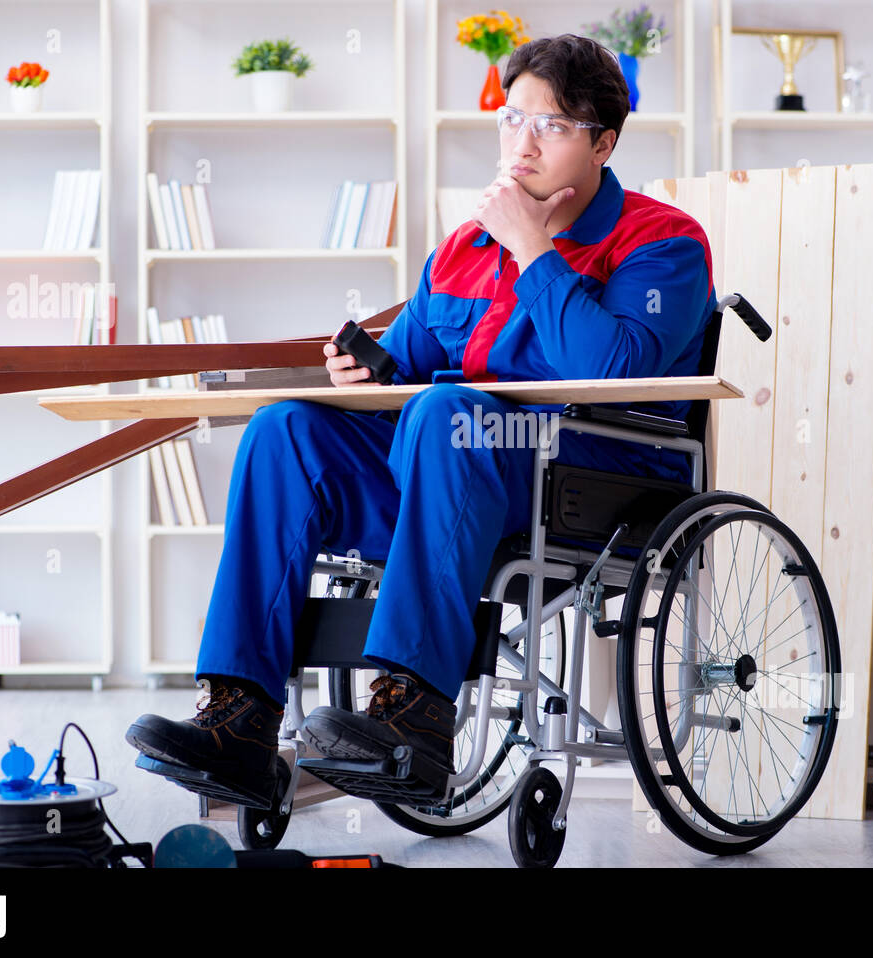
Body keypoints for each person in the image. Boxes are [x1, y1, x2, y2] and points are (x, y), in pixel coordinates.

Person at [126, 34, 718, 800]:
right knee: (285, 430)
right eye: (511, 120)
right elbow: (403, 367)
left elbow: (613, 371)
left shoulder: (663, 240)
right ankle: (240, 716)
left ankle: (414, 718)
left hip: (591, 477)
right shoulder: (466, 251)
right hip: (451, 470)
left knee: (449, 413)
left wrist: (534, 250)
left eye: (552, 125)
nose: (522, 142)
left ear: (603, 142)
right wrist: (366, 369)